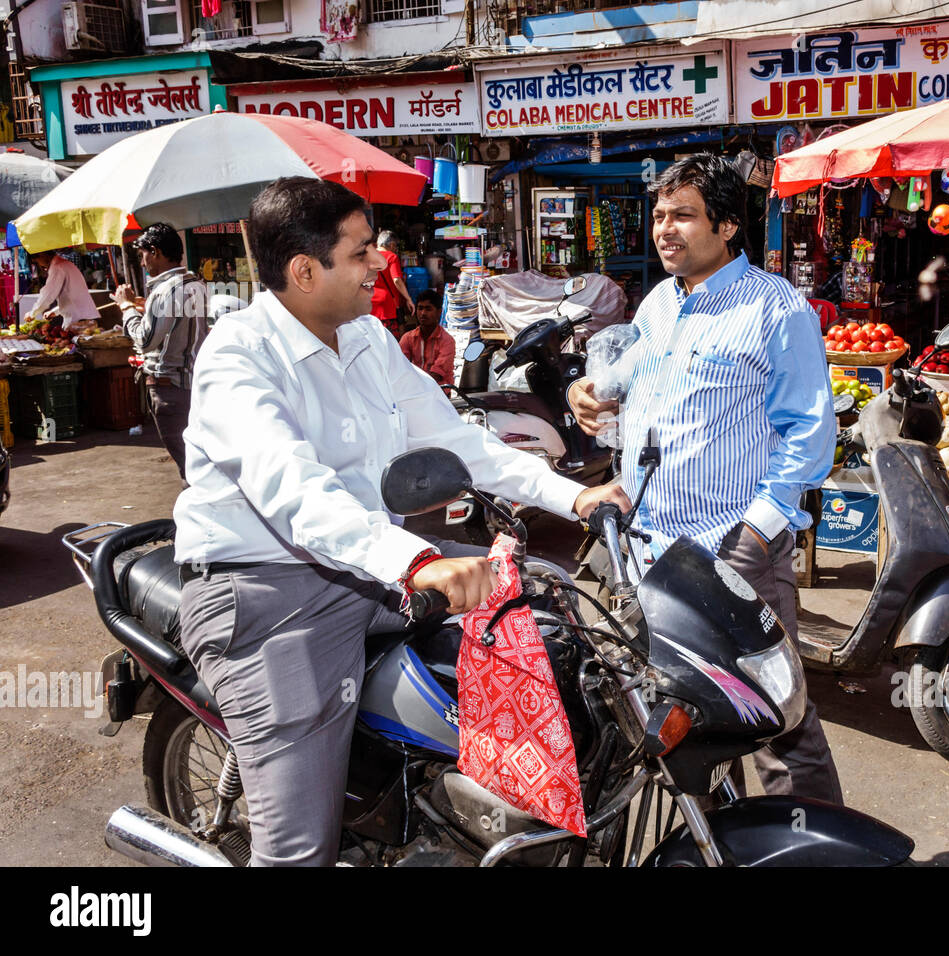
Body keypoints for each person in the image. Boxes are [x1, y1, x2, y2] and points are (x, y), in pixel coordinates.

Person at [173, 177, 629, 866]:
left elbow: (458, 442)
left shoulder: (364, 340)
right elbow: (292, 486)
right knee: (299, 851)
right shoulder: (238, 357)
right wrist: (417, 562)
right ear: (304, 270)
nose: (382, 265)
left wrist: (575, 498)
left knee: (545, 621)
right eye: (361, 254)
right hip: (269, 592)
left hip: (371, 565)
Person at [567, 153, 844, 805]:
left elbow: (811, 431)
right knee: (689, 713)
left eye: (683, 216)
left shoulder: (778, 310)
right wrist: (591, 388)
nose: (665, 229)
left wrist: (757, 532)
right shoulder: (665, 301)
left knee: (777, 720)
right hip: (650, 557)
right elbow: (633, 367)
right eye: (659, 215)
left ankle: (813, 846)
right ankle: (728, 840)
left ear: (725, 226)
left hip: (733, 553)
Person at [114, 223, 208, 478]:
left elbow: (145, 341)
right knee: (198, 462)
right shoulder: (195, 283)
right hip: (192, 384)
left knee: (190, 468)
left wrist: (126, 307)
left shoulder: (165, 290)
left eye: (143, 256)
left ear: (155, 252)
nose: (143, 263)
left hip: (170, 388)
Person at [23, 250, 99, 326]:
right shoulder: (65, 264)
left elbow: (48, 295)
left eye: (37, 261)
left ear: (42, 254)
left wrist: (32, 313)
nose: (39, 265)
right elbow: (72, 297)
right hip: (84, 317)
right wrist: (55, 311)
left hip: (77, 320)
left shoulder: (57, 267)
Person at [399, 288, 455, 386]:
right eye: (420, 308)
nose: (423, 313)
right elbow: (400, 365)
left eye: (428, 309)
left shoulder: (447, 341)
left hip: (439, 392)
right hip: (414, 390)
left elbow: (437, 373)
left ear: (439, 312)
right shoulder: (407, 338)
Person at [369, 229, 415, 337]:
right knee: (389, 340)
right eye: (395, 246)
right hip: (387, 304)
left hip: (370, 303)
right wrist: (408, 299)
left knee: (374, 339)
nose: (395, 249)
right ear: (391, 244)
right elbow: (397, 280)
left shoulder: (369, 256)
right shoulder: (391, 257)